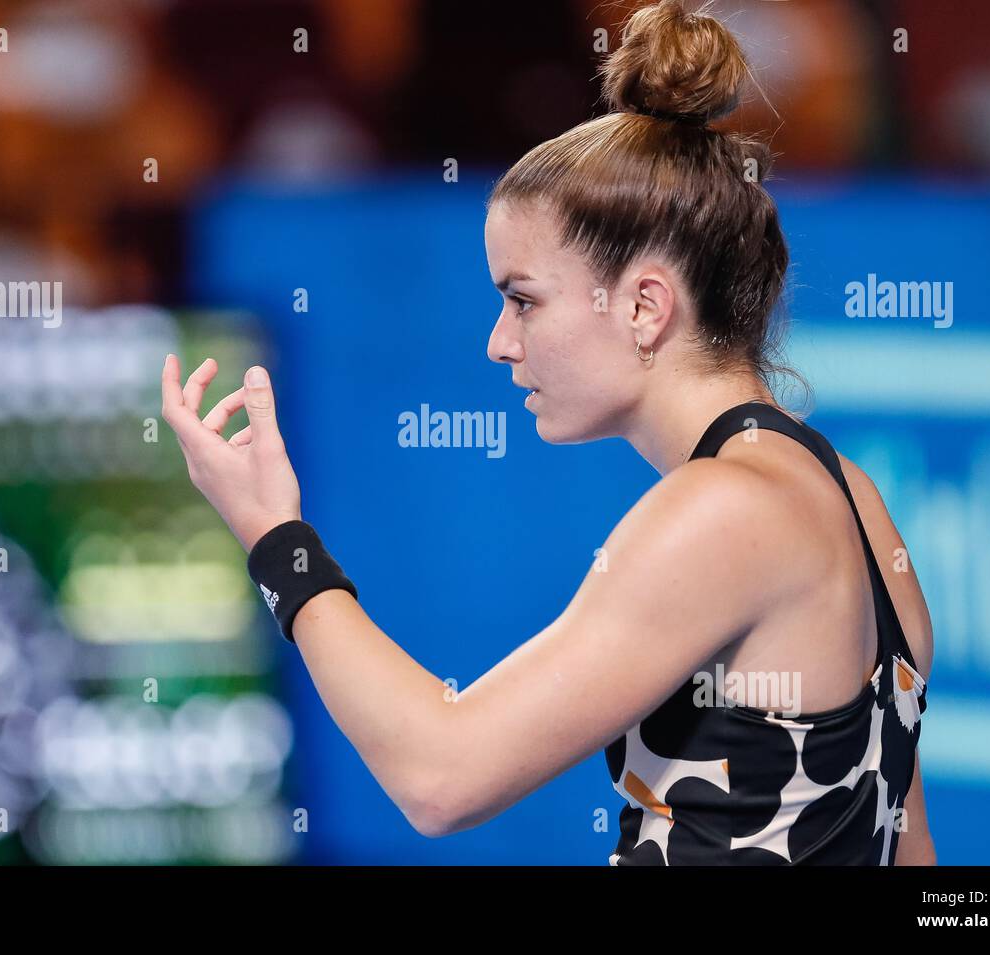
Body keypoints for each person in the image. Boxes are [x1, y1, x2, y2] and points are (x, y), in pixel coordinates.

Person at [160, 0, 935, 865]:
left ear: (644, 305)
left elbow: (441, 773)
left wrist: (277, 539)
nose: (499, 342)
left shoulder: (724, 510)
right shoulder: (851, 495)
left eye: (522, 299)